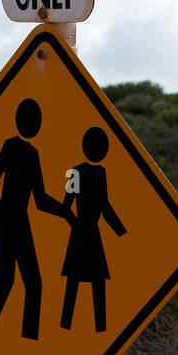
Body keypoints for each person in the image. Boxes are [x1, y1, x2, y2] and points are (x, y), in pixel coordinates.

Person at [0, 98, 64, 341]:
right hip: (18, 221)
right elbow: (41, 200)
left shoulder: (8, 145)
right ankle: (28, 338)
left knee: (5, 280)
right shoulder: (30, 153)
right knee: (33, 285)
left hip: (5, 220)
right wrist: (67, 214)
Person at [59, 125, 126, 333]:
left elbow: (104, 206)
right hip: (82, 232)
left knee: (96, 281)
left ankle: (101, 328)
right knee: (75, 281)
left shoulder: (99, 172)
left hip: (90, 232)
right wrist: (75, 224)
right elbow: (66, 205)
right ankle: (65, 325)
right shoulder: (77, 172)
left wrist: (121, 231)